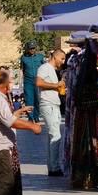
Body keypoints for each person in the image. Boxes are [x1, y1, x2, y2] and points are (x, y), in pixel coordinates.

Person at [36, 47, 66, 176]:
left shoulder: (52, 70)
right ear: (55, 57)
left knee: (52, 136)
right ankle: (55, 167)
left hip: (53, 104)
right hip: (48, 104)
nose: (63, 61)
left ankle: (52, 167)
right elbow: (39, 82)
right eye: (62, 58)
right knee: (56, 136)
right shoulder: (45, 68)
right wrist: (56, 86)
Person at [20, 42, 46, 122]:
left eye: (33, 48)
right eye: (31, 48)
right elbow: (22, 70)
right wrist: (21, 81)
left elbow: (45, 68)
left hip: (38, 80)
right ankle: (30, 118)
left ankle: (36, 116)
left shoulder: (40, 57)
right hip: (28, 81)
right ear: (27, 49)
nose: (32, 50)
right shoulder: (23, 58)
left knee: (37, 99)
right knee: (29, 100)